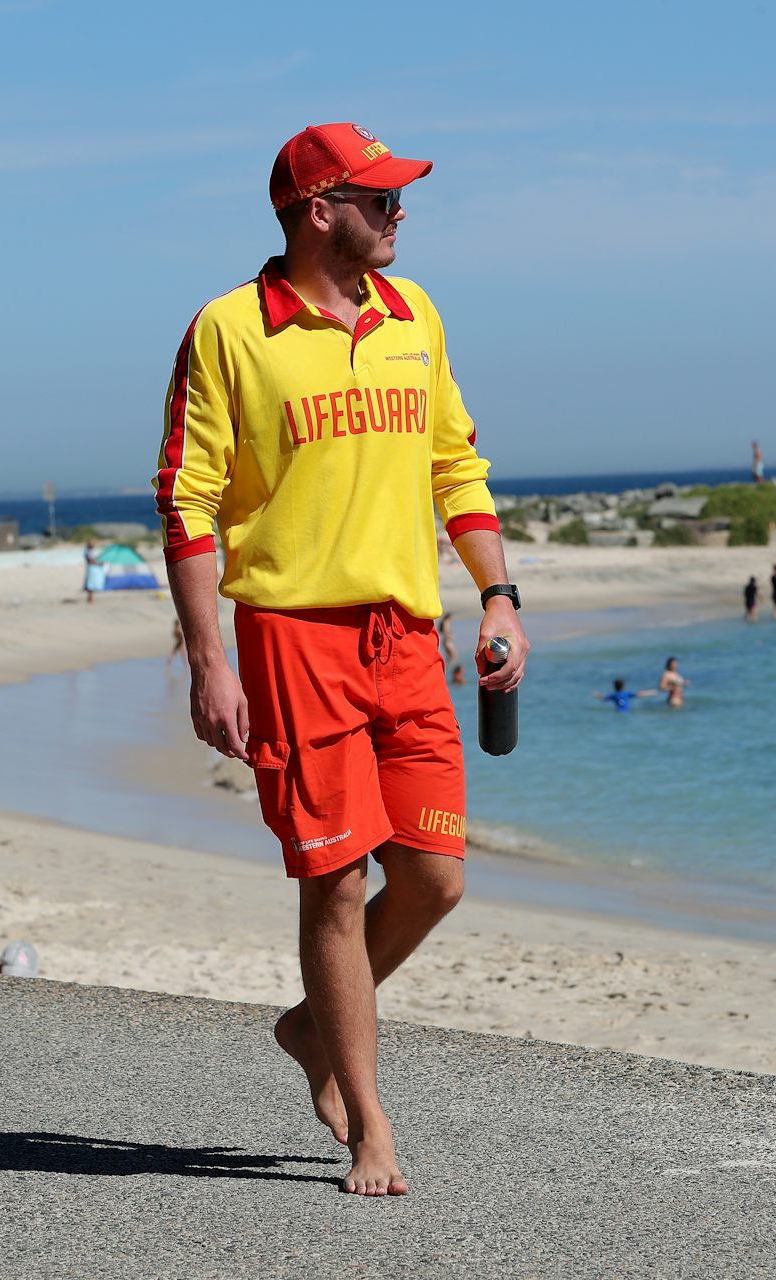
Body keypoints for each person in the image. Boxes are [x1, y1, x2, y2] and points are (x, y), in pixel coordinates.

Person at [157, 122, 525, 1198]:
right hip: (293, 637)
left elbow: (457, 466)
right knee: (336, 878)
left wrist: (499, 595)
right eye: (382, 200)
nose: (401, 216)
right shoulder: (232, 329)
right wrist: (208, 661)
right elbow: (187, 501)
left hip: (408, 638)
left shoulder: (415, 316)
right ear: (320, 209)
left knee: (436, 874)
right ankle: (372, 1123)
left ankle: (307, 1026)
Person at [593, 678, 657, 711]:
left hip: (618, 711)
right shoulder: (626, 693)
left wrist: (597, 694)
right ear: (623, 686)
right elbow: (639, 694)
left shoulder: (614, 695)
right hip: (627, 711)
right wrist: (651, 692)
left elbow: (603, 698)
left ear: (614, 686)